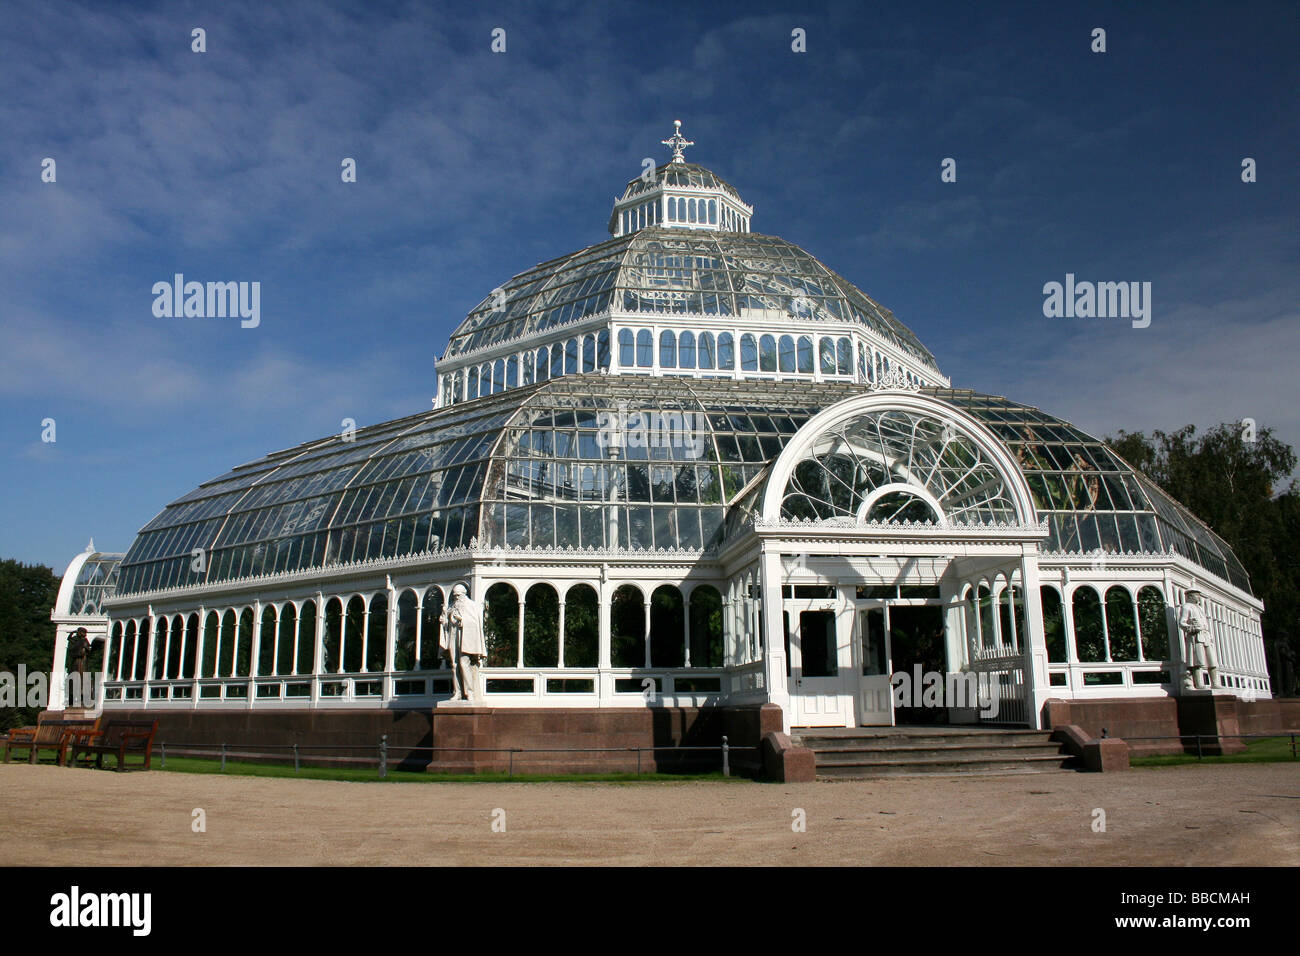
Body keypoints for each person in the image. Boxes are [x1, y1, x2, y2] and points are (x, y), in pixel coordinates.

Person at [439, 584, 486, 702]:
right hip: (453, 636)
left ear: (464, 594)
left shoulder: (471, 605)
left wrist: (462, 620)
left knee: (464, 663)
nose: (456, 598)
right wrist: (443, 620)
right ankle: (457, 692)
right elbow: (447, 623)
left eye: (458, 595)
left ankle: (469, 692)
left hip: (466, 637)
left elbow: (475, 623)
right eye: (454, 595)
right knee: (454, 665)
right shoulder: (452, 606)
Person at [1178, 589, 1218, 689]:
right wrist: (1193, 628)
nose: (1199, 597)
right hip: (1196, 636)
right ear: (1190, 596)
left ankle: (1215, 683)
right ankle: (1199, 683)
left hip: (1205, 636)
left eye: (1199, 595)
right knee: (1197, 660)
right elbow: (1182, 623)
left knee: (1211, 660)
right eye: (1197, 595)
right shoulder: (1186, 607)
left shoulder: (1200, 608)